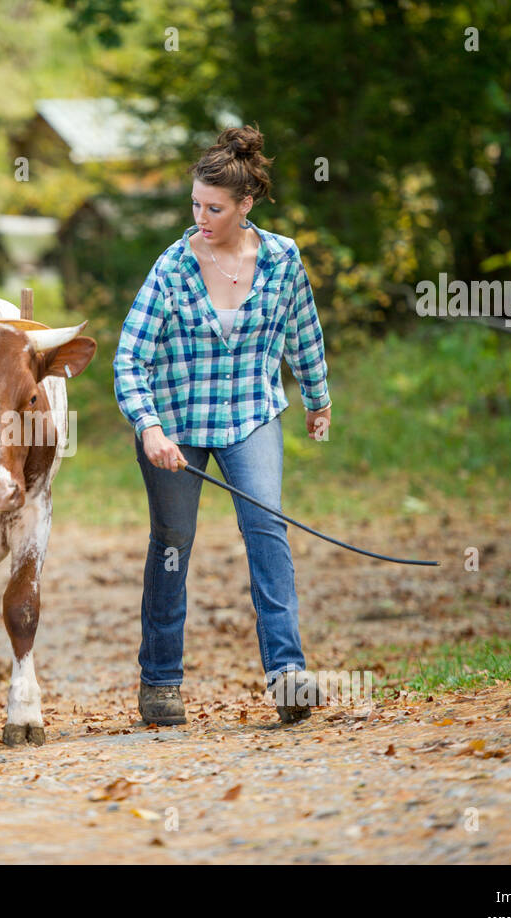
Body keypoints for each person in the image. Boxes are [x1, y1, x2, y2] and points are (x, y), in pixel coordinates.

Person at [112, 125, 332, 726]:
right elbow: (129, 357)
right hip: (176, 425)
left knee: (268, 531)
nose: (201, 218)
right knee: (173, 545)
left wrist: (317, 398)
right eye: (195, 205)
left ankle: (288, 678)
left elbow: (303, 332)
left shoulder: (283, 259)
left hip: (251, 416)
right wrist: (149, 426)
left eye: (214, 208)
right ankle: (159, 682)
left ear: (245, 205)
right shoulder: (174, 267)